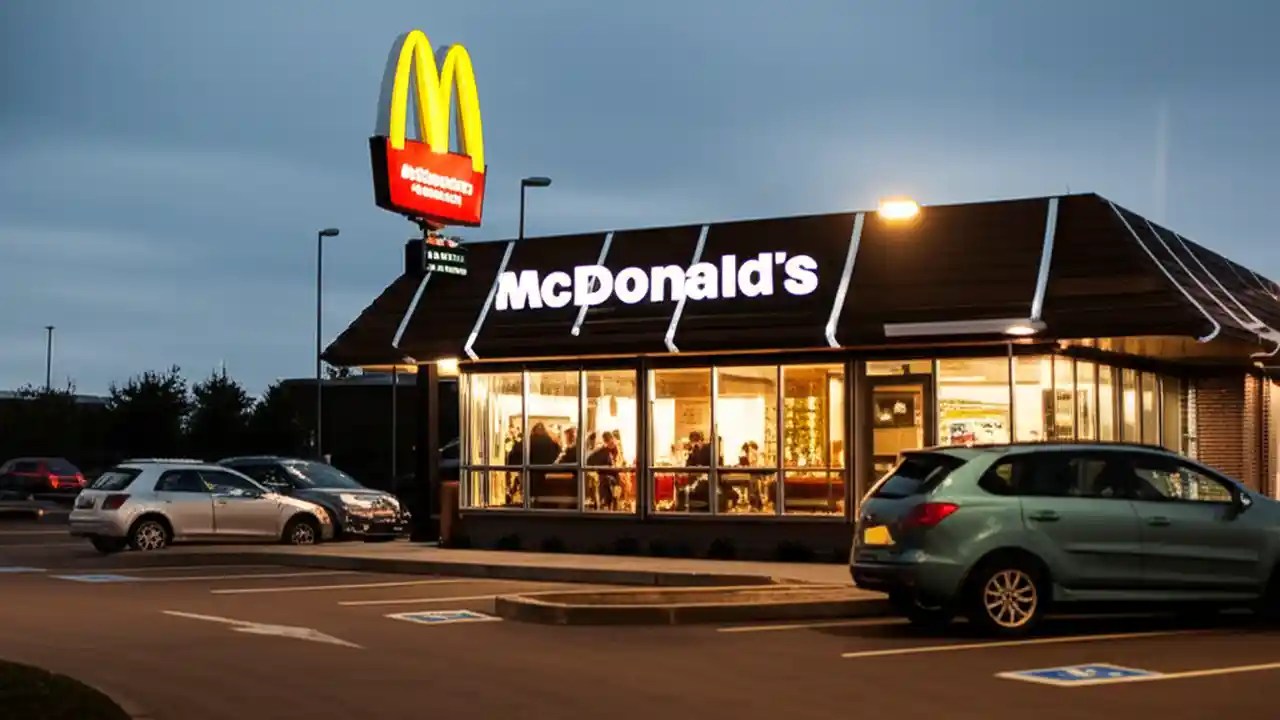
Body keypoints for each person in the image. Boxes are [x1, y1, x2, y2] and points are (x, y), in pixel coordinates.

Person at [587, 431, 621, 510]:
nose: (612, 444)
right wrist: (595, 472)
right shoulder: (600, 452)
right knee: (605, 482)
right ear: (606, 442)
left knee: (616, 486)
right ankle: (605, 504)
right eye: (609, 442)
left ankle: (614, 504)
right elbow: (589, 461)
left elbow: (618, 461)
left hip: (614, 475)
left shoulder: (616, 449)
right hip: (604, 476)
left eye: (612, 441)